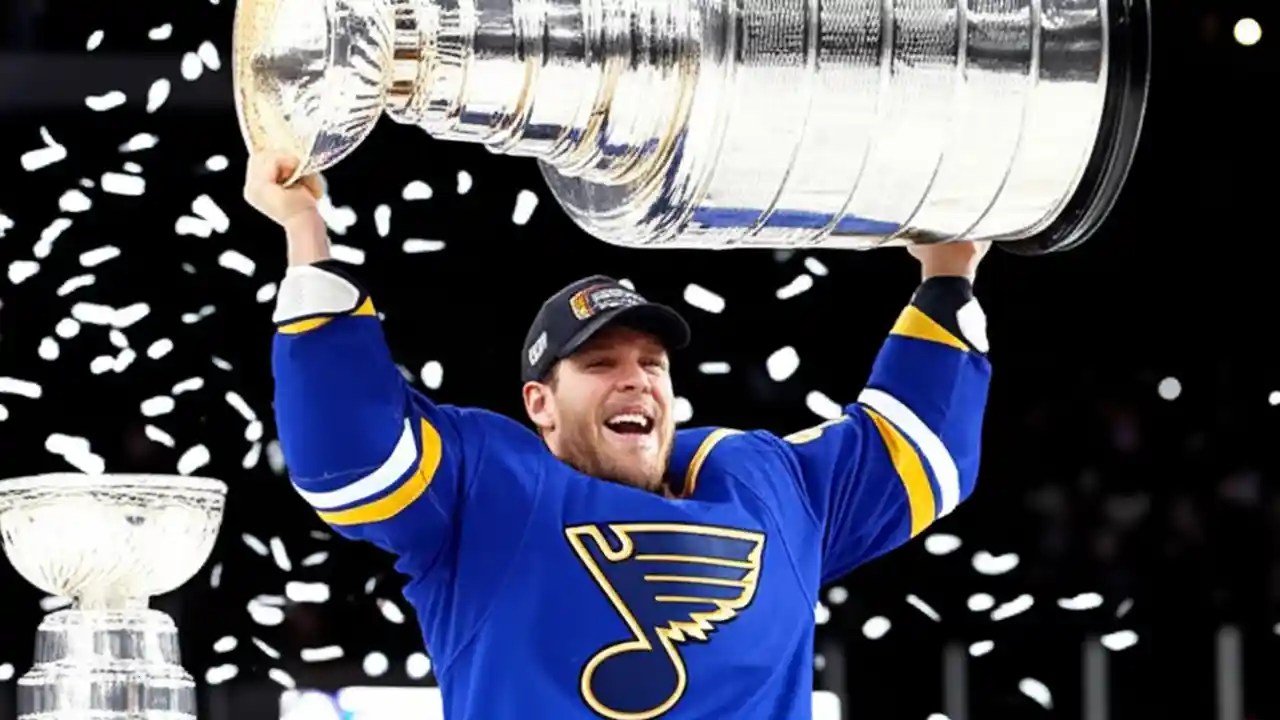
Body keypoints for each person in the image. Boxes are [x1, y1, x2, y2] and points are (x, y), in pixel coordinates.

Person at [245, 150, 992, 719]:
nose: (634, 378)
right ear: (540, 403)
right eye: (600, 363)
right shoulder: (486, 490)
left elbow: (922, 451)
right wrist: (306, 235)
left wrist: (948, 268)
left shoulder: (771, 486)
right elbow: (349, 453)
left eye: (651, 364)